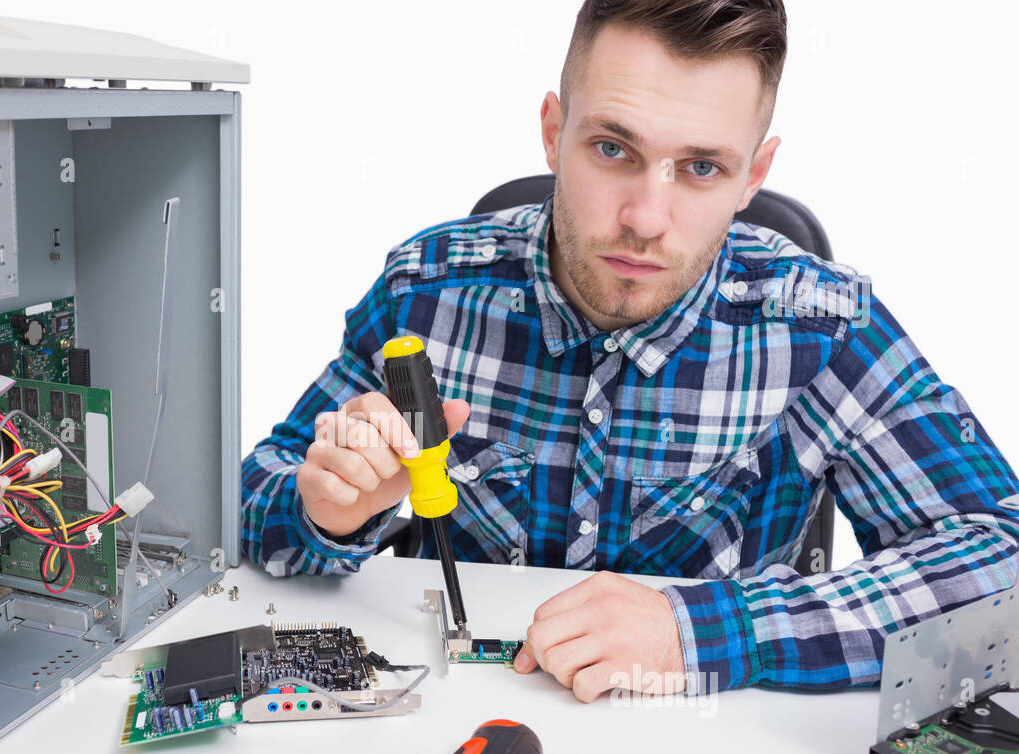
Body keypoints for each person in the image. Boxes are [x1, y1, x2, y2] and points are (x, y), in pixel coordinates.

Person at [239, 0, 1019, 702]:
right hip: (449, 722)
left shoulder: (822, 327)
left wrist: (709, 630)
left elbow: (1003, 565)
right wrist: (324, 512)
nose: (647, 218)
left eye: (702, 167)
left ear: (755, 175)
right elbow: (247, 504)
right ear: (553, 131)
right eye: (613, 149)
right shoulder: (427, 294)